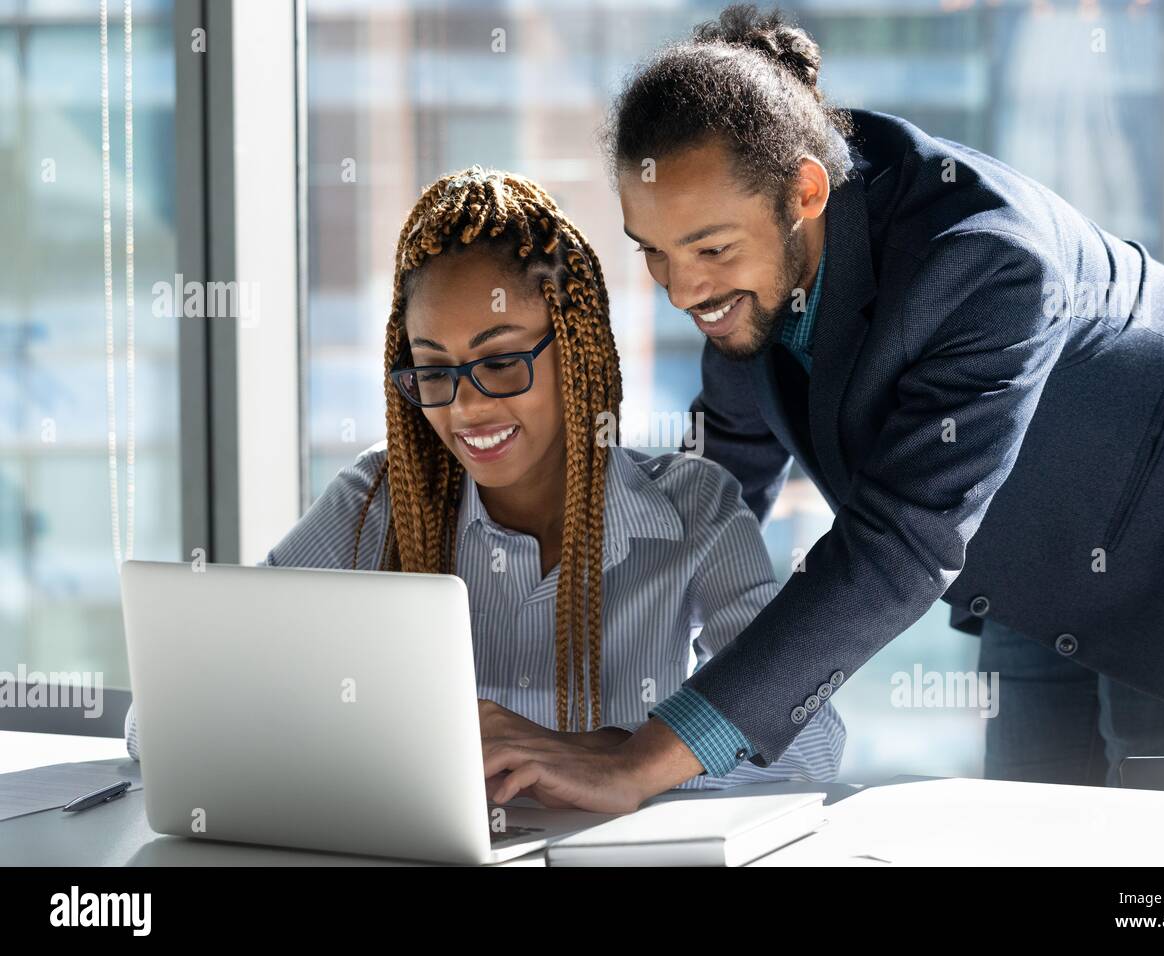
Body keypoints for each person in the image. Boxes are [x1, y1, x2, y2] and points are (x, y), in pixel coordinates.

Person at [482, 4, 1164, 810]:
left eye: (709, 249)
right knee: (1039, 835)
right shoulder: (751, 256)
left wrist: (644, 762)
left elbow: (895, 546)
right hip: (1038, 558)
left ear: (803, 191)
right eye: (654, 252)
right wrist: (594, 694)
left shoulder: (982, 257)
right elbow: (717, 470)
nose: (682, 289)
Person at [124, 166, 846, 791]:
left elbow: (813, 742)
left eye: (501, 360)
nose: (466, 406)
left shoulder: (694, 508)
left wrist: (615, 755)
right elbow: (162, 716)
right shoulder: (374, 501)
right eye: (434, 370)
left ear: (576, 352)